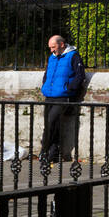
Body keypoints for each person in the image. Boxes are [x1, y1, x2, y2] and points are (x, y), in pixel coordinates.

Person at [39, 34, 85, 166]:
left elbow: (80, 75)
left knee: (50, 123)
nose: (51, 50)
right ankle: (53, 154)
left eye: (53, 47)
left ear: (62, 44)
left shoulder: (73, 56)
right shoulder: (52, 57)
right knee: (53, 125)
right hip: (50, 96)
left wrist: (69, 89)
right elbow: (47, 74)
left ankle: (44, 151)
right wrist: (45, 85)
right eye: (50, 48)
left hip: (63, 96)